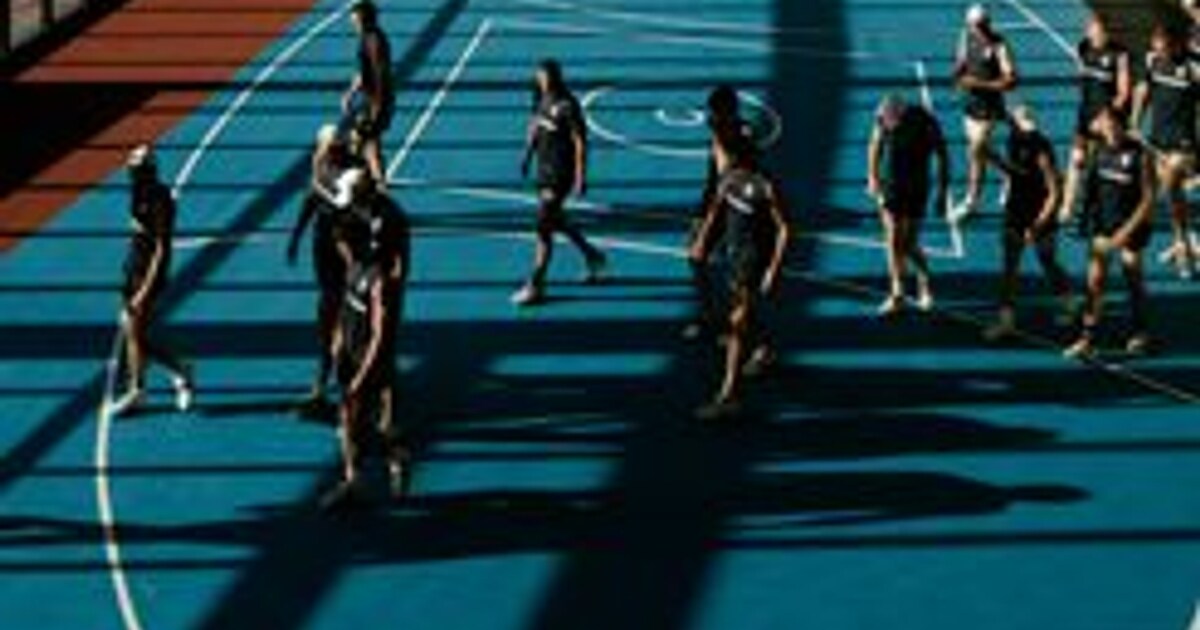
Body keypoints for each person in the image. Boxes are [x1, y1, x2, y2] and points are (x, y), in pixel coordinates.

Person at [320, 169, 412, 512]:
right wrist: (337, 341)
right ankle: (381, 462)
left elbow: (380, 335)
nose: (340, 239)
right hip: (351, 346)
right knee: (349, 420)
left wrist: (363, 374)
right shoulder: (355, 267)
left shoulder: (379, 281)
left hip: (369, 357)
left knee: (351, 419)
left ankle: (359, 477)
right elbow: (346, 308)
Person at [690, 126, 790, 421]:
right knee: (742, 314)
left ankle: (728, 395)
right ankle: (764, 349)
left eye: (728, 153)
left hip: (754, 259)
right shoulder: (728, 178)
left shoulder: (764, 185)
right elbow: (715, 212)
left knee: (736, 325)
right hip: (733, 255)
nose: (723, 157)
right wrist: (702, 242)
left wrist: (773, 269)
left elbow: (785, 228)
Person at [513, 59, 607, 307]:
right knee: (557, 220)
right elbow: (534, 126)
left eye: (545, 77)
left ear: (555, 78)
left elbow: (580, 141)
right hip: (543, 171)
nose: (542, 81)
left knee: (543, 226)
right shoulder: (540, 98)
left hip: (561, 173)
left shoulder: (568, 105)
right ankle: (593, 255)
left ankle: (537, 284)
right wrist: (526, 156)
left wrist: (581, 176)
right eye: (540, 77)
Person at [1064, 105, 1156, 358]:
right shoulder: (1098, 150)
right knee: (1094, 282)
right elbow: (1091, 189)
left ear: (1122, 126)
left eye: (1113, 126)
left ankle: (1140, 333)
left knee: (1132, 278)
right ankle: (1087, 338)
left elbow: (1148, 199)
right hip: (1104, 225)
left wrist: (1123, 235)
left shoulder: (1140, 155)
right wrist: (1082, 219)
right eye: (1105, 125)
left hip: (1132, 228)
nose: (1110, 131)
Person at [109, 145, 194, 416]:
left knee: (134, 328)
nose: (131, 174)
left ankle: (139, 390)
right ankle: (178, 369)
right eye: (131, 169)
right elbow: (138, 233)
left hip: (150, 273)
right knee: (133, 330)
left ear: (148, 171)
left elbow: (161, 249)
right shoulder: (137, 192)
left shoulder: (160, 200)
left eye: (136, 169)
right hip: (133, 268)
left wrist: (145, 289)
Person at [286, 124, 362, 412]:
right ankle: (324, 379)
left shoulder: (354, 171)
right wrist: (296, 236)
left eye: (330, 147)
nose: (327, 151)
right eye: (325, 147)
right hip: (325, 247)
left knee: (346, 313)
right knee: (327, 311)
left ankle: (345, 379)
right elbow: (310, 200)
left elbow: (357, 208)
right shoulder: (321, 165)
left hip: (348, 247)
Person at [981, 106, 1074, 341]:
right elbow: (1017, 172)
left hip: (1041, 211)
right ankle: (1006, 320)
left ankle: (1068, 301)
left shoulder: (1041, 148)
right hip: (1016, 209)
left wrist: (1038, 225)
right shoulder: (1013, 140)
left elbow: (1054, 192)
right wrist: (995, 159)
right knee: (1009, 265)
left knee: (1047, 260)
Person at [683, 85, 757, 341]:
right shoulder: (724, 131)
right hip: (714, 204)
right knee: (696, 259)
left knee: (736, 277)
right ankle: (710, 316)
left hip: (735, 210)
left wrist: (706, 229)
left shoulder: (738, 140)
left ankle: (751, 336)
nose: (710, 118)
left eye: (715, 113)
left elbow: (725, 183)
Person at [866, 94, 950, 316]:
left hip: (917, 187)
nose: (888, 125)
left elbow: (943, 156)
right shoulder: (882, 118)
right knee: (893, 239)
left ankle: (925, 282)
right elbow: (875, 144)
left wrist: (942, 193)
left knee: (909, 243)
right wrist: (872, 177)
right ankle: (898, 293)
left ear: (903, 116)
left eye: (892, 122)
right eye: (885, 121)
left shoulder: (926, 122)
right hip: (891, 186)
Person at [1132, 23, 1198, 279]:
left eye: (1165, 49)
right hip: (1158, 139)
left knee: (1170, 183)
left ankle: (1183, 245)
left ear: (1177, 45)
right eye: (1157, 48)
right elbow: (1143, 90)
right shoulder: (1152, 60)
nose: (1161, 53)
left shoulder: (1193, 67)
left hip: (1184, 142)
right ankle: (1183, 241)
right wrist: (1135, 122)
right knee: (1171, 197)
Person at [949, 3, 1017, 223]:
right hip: (970, 104)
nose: (981, 29)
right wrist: (957, 75)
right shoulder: (965, 37)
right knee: (981, 152)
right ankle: (1010, 173)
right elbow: (961, 62)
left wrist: (979, 84)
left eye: (983, 24)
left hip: (990, 107)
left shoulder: (1000, 45)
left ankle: (971, 202)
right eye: (976, 25)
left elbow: (1011, 80)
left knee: (975, 151)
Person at [1061, 15, 1131, 224]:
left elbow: (1124, 92)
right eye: (1095, 32)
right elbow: (1081, 70)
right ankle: (1067, 207)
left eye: (1102, 33)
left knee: (1100, 165)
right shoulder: (1083, 47)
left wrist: (1106, 117)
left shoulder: (1120, 55)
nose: (1099, 37)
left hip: (1109, 119)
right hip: (1086, 113)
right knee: (1076, 159)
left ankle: (1100, 206)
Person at [341, 0, 394, 188]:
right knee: (371, 143)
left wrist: (377, 107)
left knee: (360, 141)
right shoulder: (368, 37)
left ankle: (369, 181)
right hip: (371, 99)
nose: (354, 25)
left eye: (356, 21)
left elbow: (381, 75)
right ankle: (379, 181)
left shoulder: (374, 42)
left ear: (366, 20)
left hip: (377, 100)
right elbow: (364, 72)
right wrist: (350, 93)